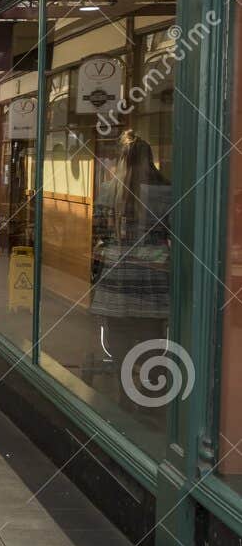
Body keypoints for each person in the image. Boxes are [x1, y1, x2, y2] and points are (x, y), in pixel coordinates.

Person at [90, 130, 172, 391]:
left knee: (119, 335)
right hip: (152, 274)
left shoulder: (108, 190)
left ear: (121, 159)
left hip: (118, 274)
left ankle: (124, 388)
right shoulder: (165, 191)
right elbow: (173, 232)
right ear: (150, 159)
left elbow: (99, 232)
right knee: (152, 336)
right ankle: (150, 388)